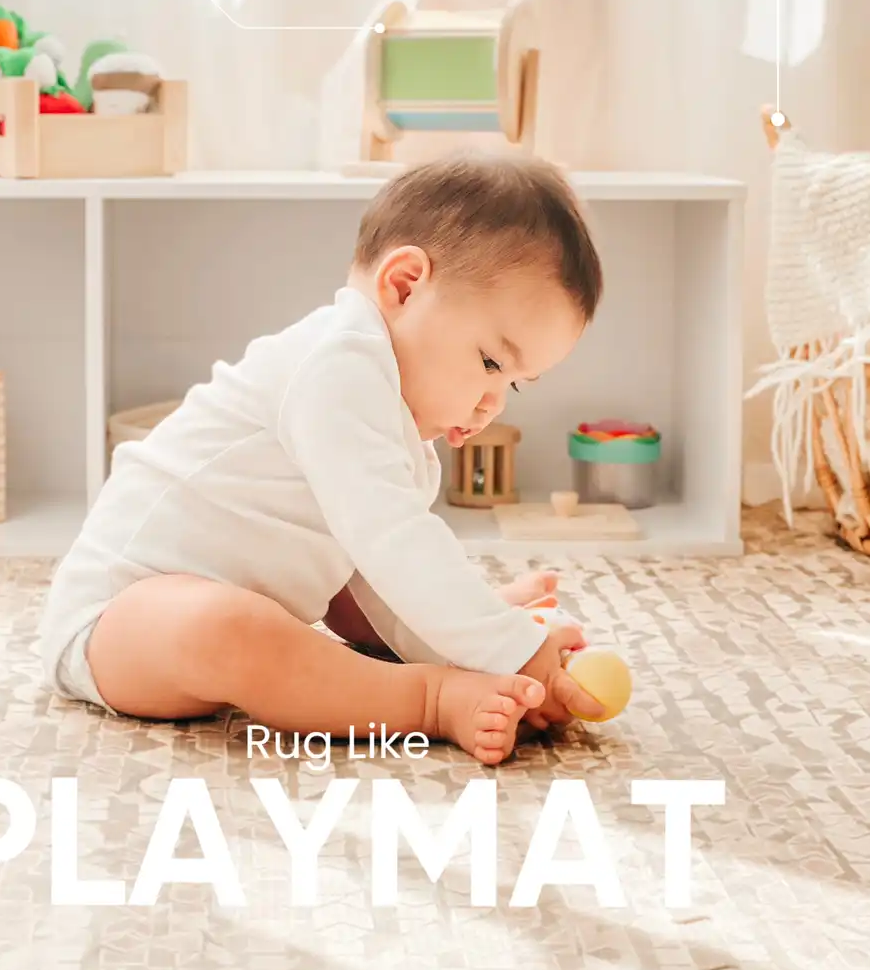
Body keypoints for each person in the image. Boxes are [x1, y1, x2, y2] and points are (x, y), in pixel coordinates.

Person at [40, 153, 608, 764]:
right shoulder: (337, 365)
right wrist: (514, 652)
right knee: (230, 628)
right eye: (491, 363)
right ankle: (427, 701)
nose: (493, 403)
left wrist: (477, 643)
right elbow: (394, 540)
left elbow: (368, 585)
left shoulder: (394, 423)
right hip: (116, 626)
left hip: (202, 624)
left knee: (326, 602)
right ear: (405, 285)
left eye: (515, 384)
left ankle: (444, 658)